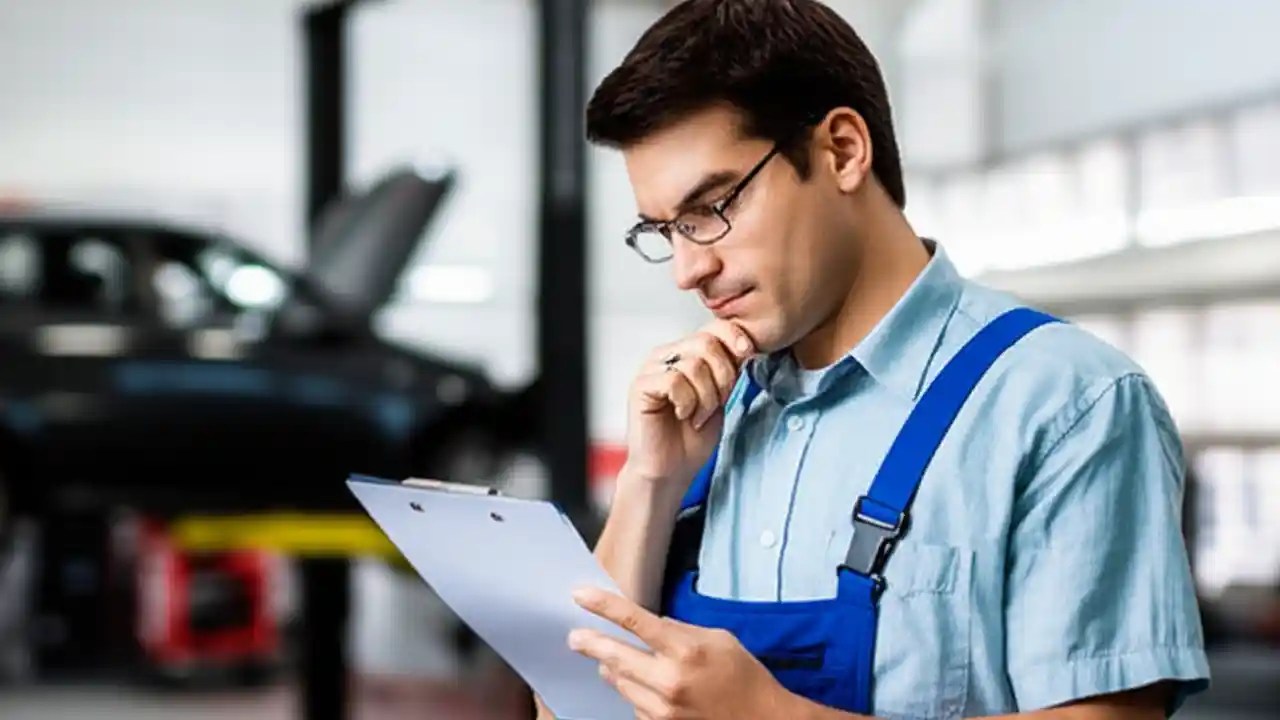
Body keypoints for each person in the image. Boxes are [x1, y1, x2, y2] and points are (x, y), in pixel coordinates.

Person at [544, 1, 1212, 718]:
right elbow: (568, 711)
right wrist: (652, 482)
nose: (687, 269)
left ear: (841, 151)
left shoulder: (1065, 403)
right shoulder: (707, 416)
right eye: (666, 228)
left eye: (711, 208)